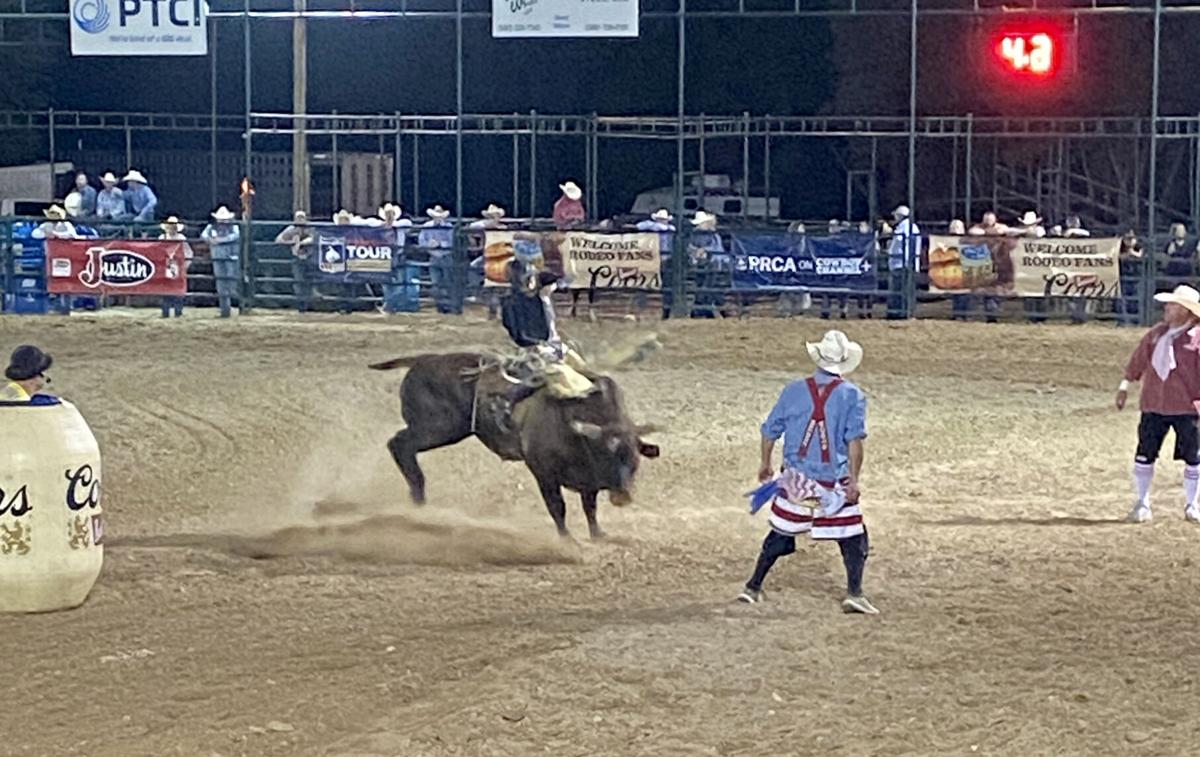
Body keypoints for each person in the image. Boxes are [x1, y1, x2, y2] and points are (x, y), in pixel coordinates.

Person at [737, 329, 877, 615]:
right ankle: (855, 592)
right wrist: (854, 479)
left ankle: (753, 586)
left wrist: (765, 464)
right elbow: (854, 442)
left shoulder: (793, 390)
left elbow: (769, 431)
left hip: (795, 480)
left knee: (781, 533)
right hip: (831, 480)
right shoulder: (852, 396)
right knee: (853, 536)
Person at [1117, 284, 1200, 523]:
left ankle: (1192, 504)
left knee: (1193, 456)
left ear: (1186, 310)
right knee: (1145, 452)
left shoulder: (1196, 338)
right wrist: (1125, 385)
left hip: (1187, 407)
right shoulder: (1156, 334)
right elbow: (1138, 360)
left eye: (1173, 305)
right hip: (1154, 403)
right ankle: (1142, 502)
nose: (1167, 308)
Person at [201, 206, 242, 318]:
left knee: (232, 282)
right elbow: (203, 235)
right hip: (218, 257)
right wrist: (211, 240)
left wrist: (218, 240)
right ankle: (226, 309)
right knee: (221, 283)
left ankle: (236, 306)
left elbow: (236, 236)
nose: (223, 221)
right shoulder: (212, 227)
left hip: (230, 257)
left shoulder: (233, 227)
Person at [275, 210, 315, 312]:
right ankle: (301, 304)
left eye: (302, 218)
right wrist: (290, 242)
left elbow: (314, 238)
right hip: (297, 257)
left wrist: (302, 243)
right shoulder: (291, 229)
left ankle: (309, 303)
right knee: (298, 281)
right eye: (298, 218)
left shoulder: (310, 228)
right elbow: (278, 239)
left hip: (310, 257)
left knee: (310, 281)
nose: (300, 220)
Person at [886, 205, 920, 320]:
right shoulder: (911, 227)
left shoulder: (904, 228)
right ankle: (905, 312)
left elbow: (901, 246)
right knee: (906, 290)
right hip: (906, 263)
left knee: (899, 289)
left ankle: (898, 312)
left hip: (901, 264)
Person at [158, 216, 192, 318]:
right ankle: (166, 311)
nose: (172, 228)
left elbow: (188, 252)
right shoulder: (162, 238)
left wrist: (185, 265)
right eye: (170, 226)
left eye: (173, 226)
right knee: (165, 289)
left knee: (177, 289)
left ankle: (178, 311)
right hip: (166, 266)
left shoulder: (181, 238)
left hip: (178, 265)